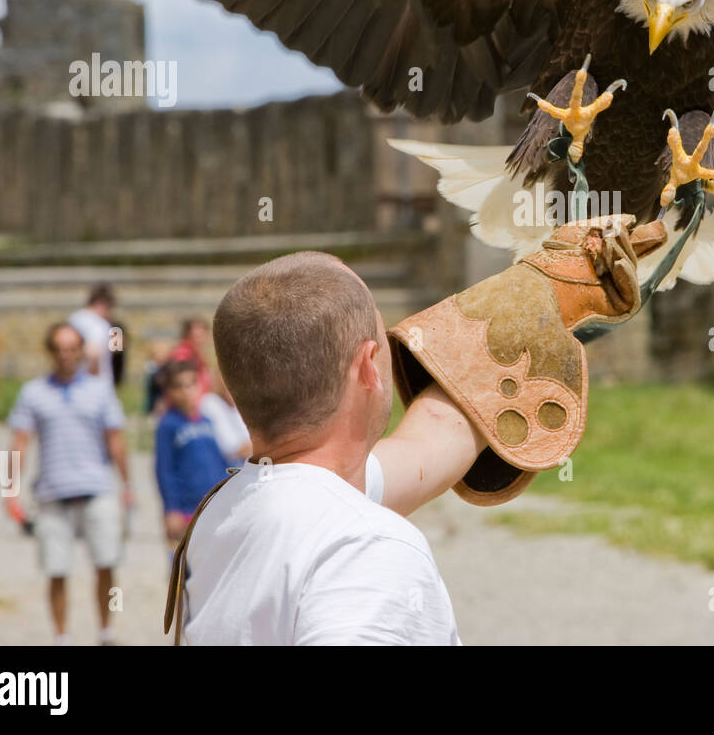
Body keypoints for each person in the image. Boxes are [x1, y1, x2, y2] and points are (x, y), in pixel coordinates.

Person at [172, 216, 663, 645]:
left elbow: (431, 439)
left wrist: (541, 289)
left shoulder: (226, 511)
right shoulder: (363, 550)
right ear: (368, 366)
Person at [5, 322, 134, 646]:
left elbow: (116, 439)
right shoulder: (33, 392)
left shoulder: (100, 390)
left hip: (96, 486)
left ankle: (107, 630)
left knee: (108, 563)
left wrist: (127, 483)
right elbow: (20, 442)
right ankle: (61, 636)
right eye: (60, 349)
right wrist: (11, 490)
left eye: (72, 348)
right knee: (56, 569)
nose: (66, 355)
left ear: (80, 351)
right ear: (51, 352)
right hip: (52, 490)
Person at [154, 360, 231, 550]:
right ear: (169, 391)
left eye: (190, 384)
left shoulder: (208, 421)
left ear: (199, 386)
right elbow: (164, 469)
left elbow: (219, 462)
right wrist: (171, 509)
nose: (186, 391)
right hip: (187, 509)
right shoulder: (168, 425)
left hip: (213, 504)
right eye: (179, 386)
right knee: (187, 569)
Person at [68, 283, 117, 386]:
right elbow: (93, 353)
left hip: (71, 379)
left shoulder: (74, 318)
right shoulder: (99, 324)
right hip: (94, 382)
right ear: (103, 303)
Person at [168, 317, 214, 397]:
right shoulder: (182, 354)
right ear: (187, 334)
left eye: (203, 331)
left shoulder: (197, 353)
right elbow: (182, 383)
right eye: (197, 333)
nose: (200, 336)